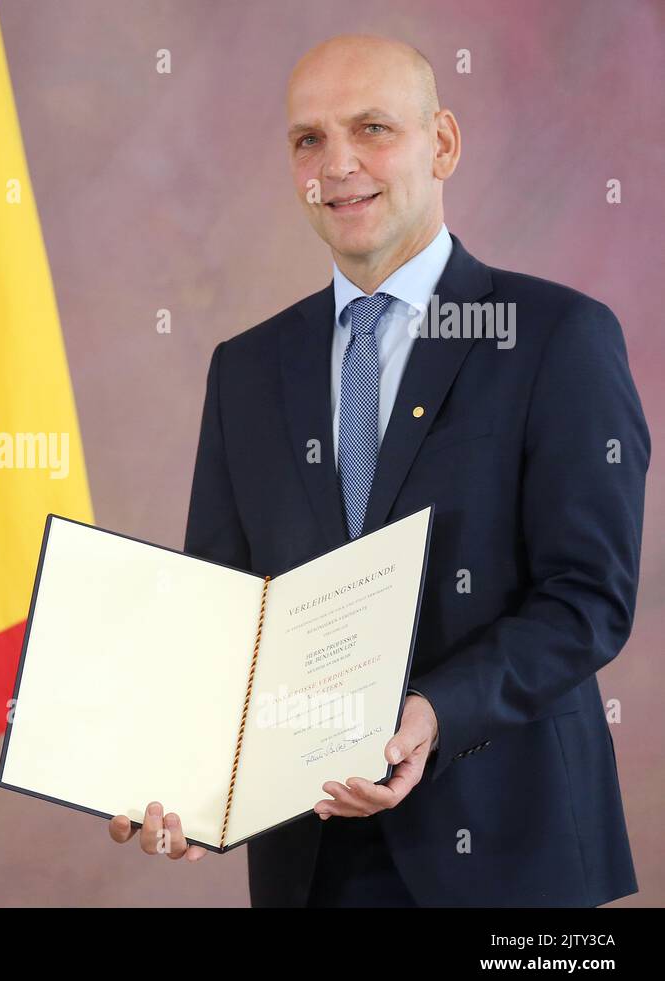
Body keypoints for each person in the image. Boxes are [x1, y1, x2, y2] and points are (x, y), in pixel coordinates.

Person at [108, 35, 645, 906]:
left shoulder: (556, 338)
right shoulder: (246, 368)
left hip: (513, 862)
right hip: (310, 864)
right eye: (309, 140)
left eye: (372, 128)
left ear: (443, 144)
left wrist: (432, 711)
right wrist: (173, 774)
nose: (339, 163)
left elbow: (588, 599)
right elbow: (223, 614)